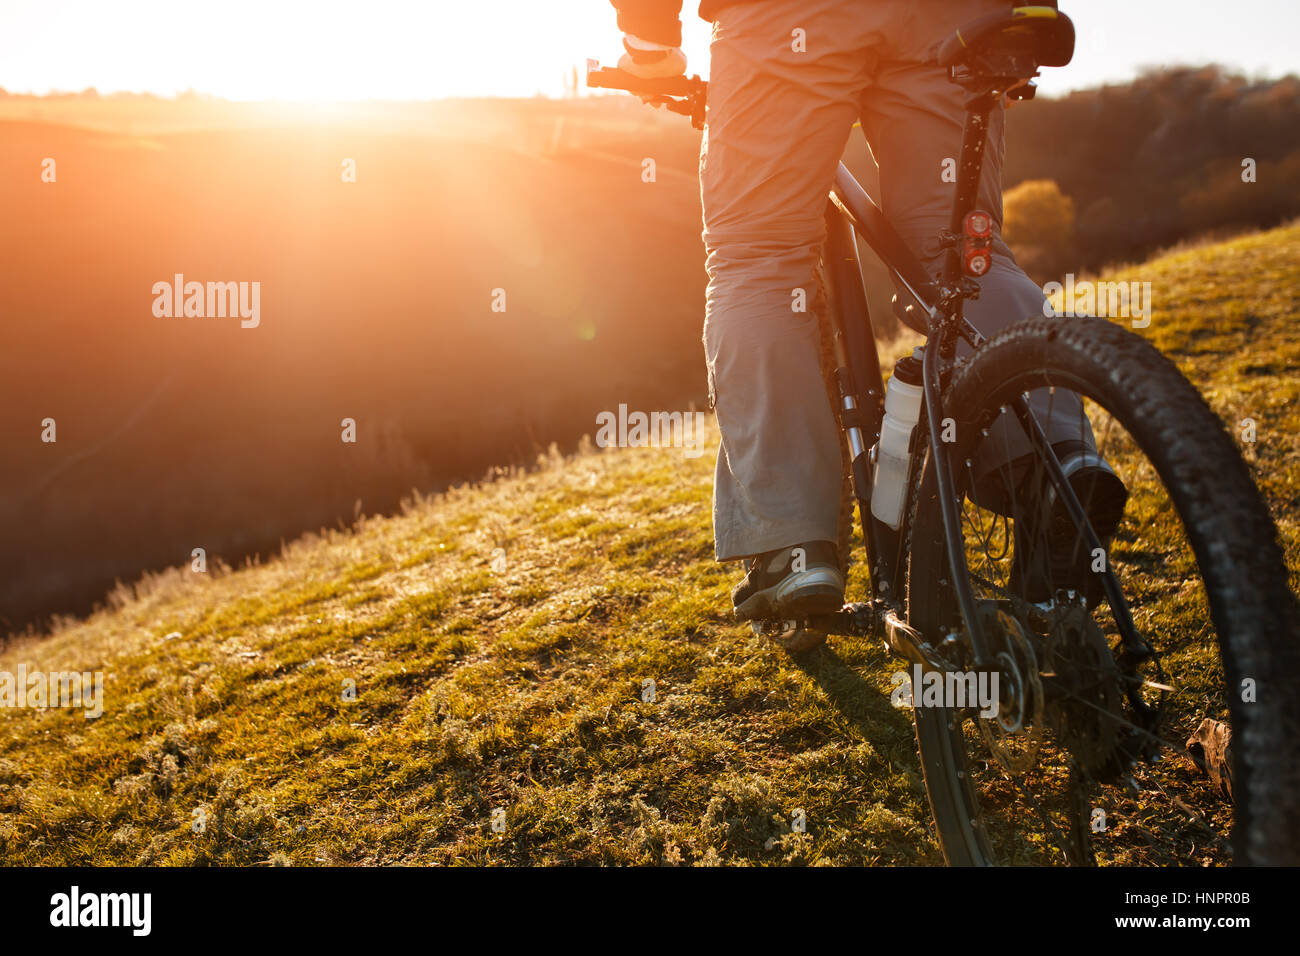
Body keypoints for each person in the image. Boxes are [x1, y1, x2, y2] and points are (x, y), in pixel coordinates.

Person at [609, 0, 1126, 617]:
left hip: (790, 20)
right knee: (964, 256)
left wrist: (649, 47)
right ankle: (1056, 467)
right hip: (952, 17)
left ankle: (792, 544)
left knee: (760, 260)